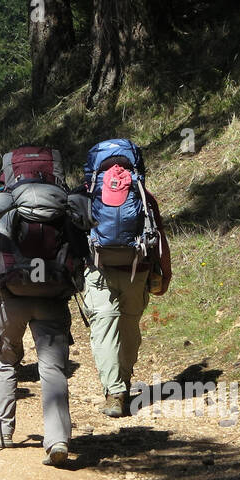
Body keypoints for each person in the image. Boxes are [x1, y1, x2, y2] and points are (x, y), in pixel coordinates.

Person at [0, 159, 91, 466]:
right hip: (53, 296)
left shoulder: (7, 206)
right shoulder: (62, 208)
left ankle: (2, 430)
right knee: (52, 368)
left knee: (6, 360)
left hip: (12, 296)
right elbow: (81, 253)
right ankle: (58, 439)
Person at [80, 142, 172, 418]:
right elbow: (159, 238)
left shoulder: (87, 194)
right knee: (129, 327)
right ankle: (123, 382)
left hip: (98, 269)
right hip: (138, 268)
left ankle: (115, 391)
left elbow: (74, 234)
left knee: (104, 329)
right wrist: (165, 273)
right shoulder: (144, 195)